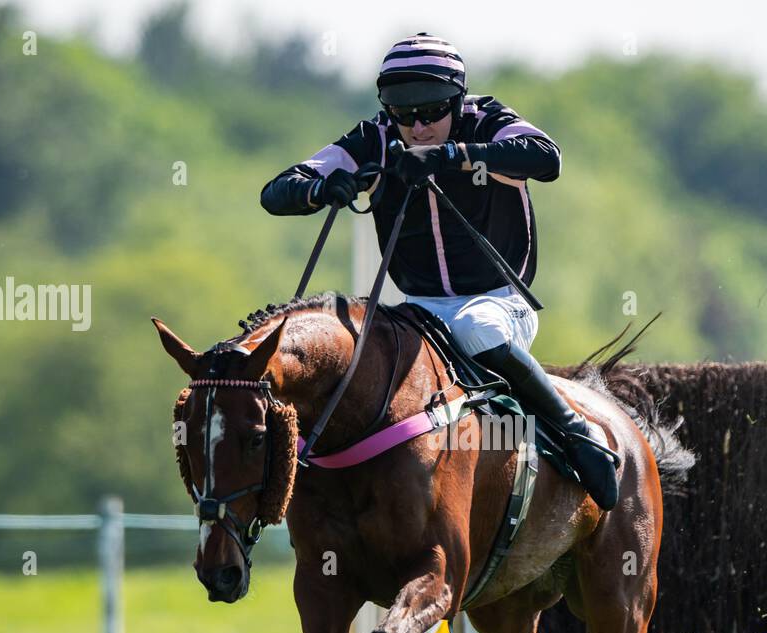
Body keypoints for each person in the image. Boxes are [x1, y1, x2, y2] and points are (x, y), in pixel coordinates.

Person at [259, 32, 619, 510]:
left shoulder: (487, 120)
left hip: (498, 300)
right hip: (417, 310)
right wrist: (324, 188)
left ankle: (576, 433)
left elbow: (546, 157)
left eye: (431, 111)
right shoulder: (376, 137)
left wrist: (454, 156)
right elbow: (277, 190)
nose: (418, 126)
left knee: (473, 328)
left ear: (456, 100)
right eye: (404, 114)